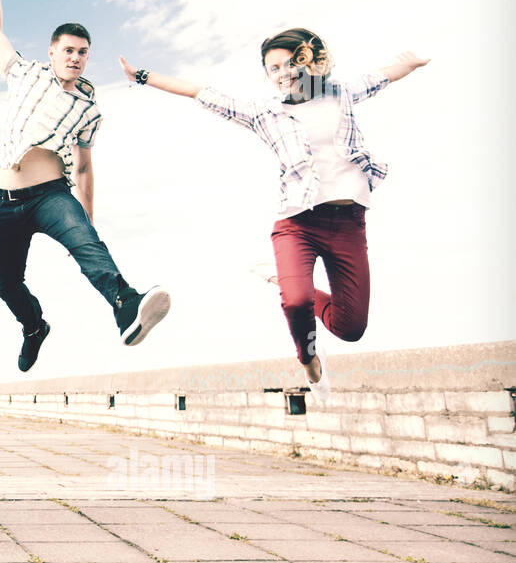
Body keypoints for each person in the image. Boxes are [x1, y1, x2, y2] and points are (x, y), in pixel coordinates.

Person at [119, 28, 429, 401]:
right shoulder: (265, 113)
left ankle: (279, 280)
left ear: (307, 61)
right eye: (272, 68)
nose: (281, 73)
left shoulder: (339, 94)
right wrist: (142, 76)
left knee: (351, 328)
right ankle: (310, 362)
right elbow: (198, 92)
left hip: (348, 225)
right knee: (296, 302)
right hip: (298, 224)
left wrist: (410, 63)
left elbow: (382, 76)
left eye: (288, 63)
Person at [0, 0, 171, 372]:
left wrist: (85, 216)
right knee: (7, 284)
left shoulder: (89, 107)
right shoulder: (24, 73)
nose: (76, 58)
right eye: (68, 50)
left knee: (89, 247)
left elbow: (83, 166)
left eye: (82, 53)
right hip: (4, 201)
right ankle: (34, 327)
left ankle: (127, 306)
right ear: (52, 52)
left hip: (51, 195)